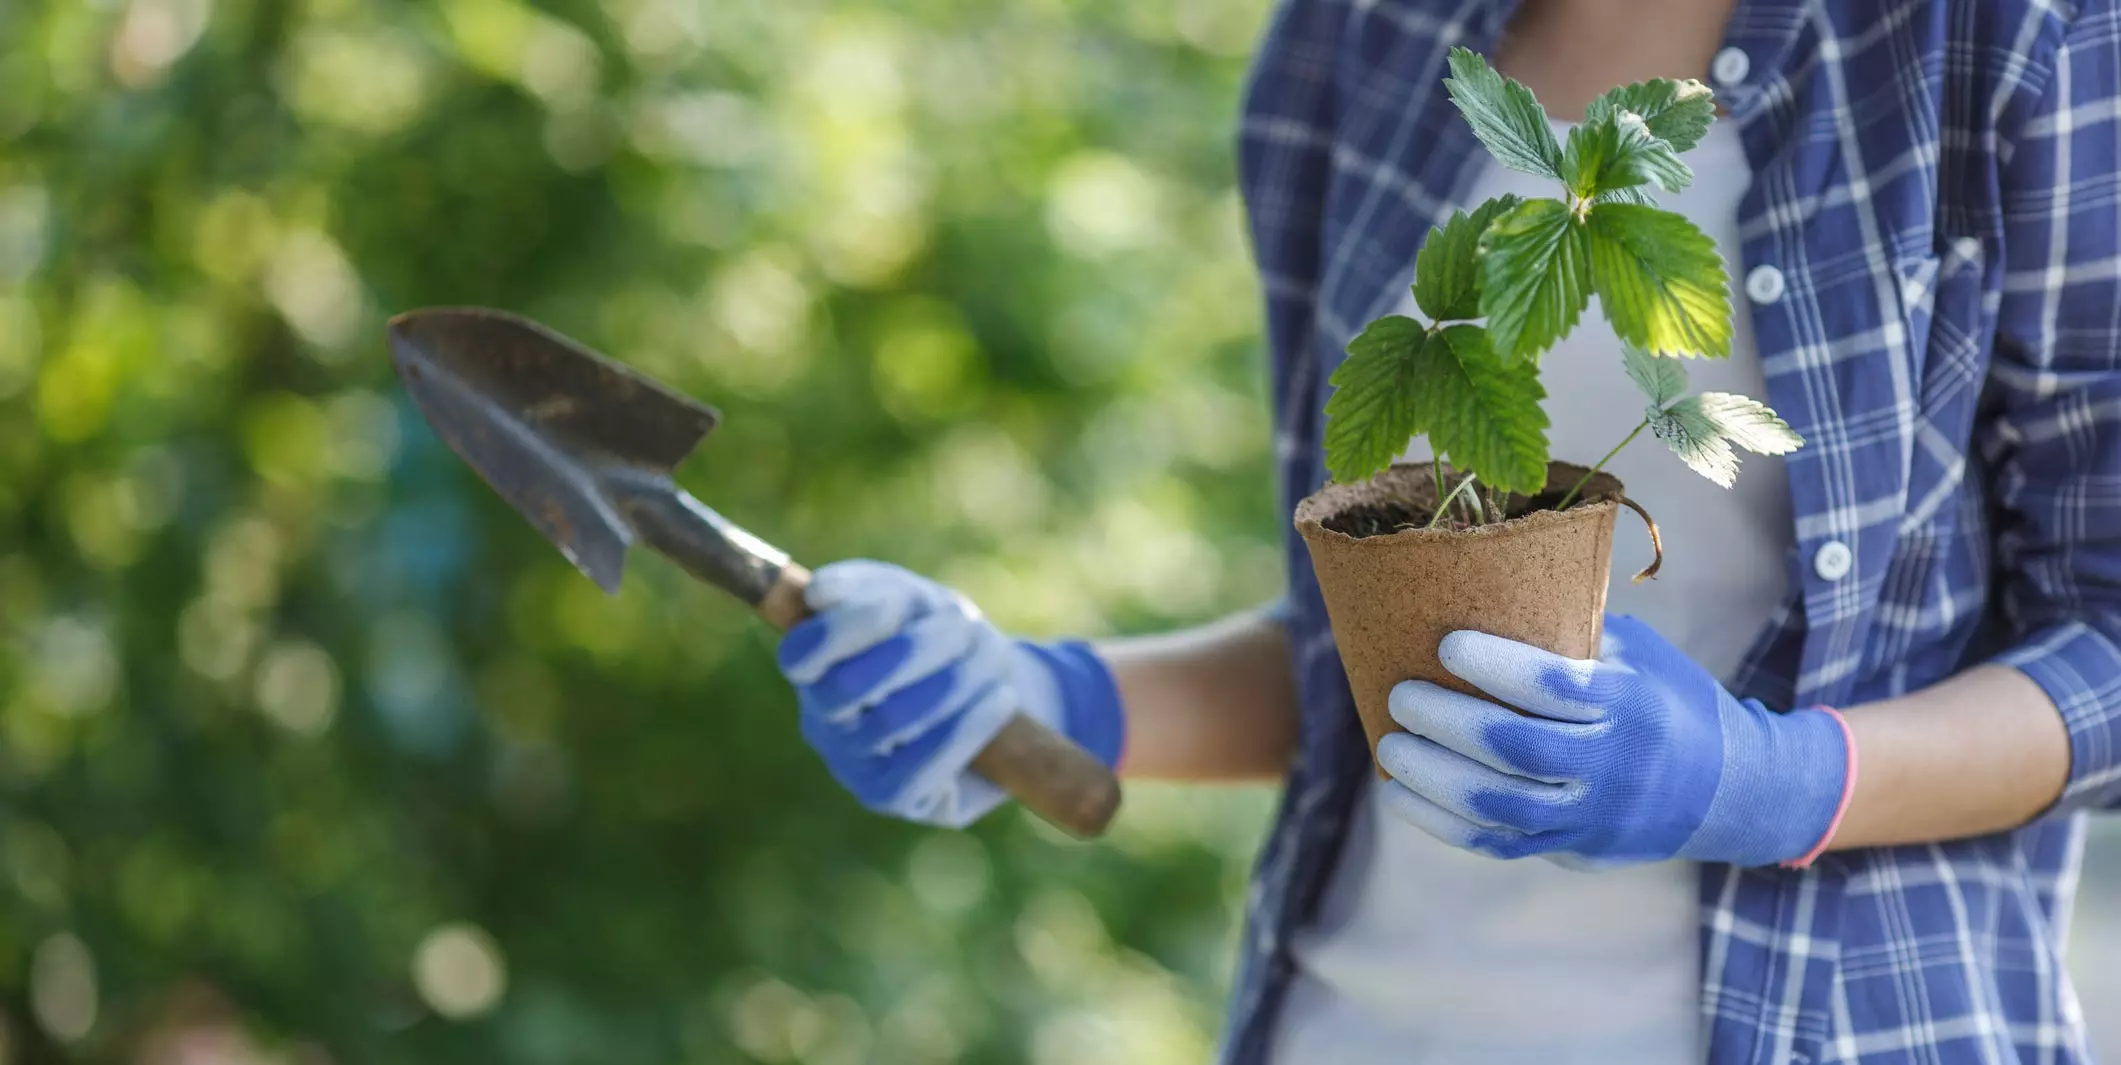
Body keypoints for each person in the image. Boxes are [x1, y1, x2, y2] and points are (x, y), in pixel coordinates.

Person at [772, 0, 2121, 1061]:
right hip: (1346, 1024)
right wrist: (1050, 697)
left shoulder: (2016, 36)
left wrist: (1780, 783)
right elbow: (1367, 656)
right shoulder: (1359, 33)